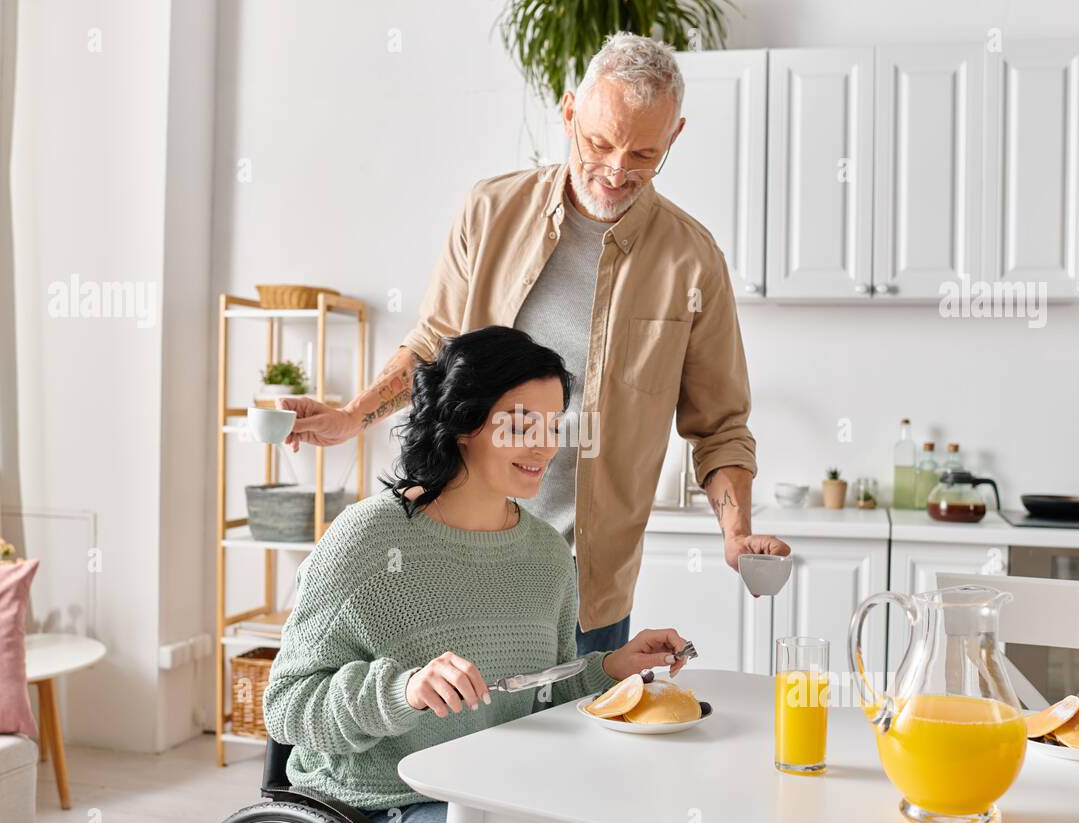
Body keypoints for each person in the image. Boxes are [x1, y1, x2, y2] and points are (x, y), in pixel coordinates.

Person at [279, 32, 790, 656]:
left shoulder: (692, 260)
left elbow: (721, 425)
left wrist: (737, 532)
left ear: (674, 138)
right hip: (450, 550)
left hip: (584, 585)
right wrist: (351, 416)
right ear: (570, 111)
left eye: (644, 154)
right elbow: (435, 343)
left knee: (570, 742)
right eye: (600, 142)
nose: (616, 169)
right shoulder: (489, 211)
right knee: (438, 740)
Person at [262, 326, 688, 823]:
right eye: (521, 424)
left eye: (554, 425)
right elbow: (285, 707)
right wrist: (404, 691)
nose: (544, 446)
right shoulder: (367, 540)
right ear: (464, 420)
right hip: (378, 810)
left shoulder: (546, 556)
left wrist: (612, 668)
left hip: (496, 793)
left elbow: (540, 694)